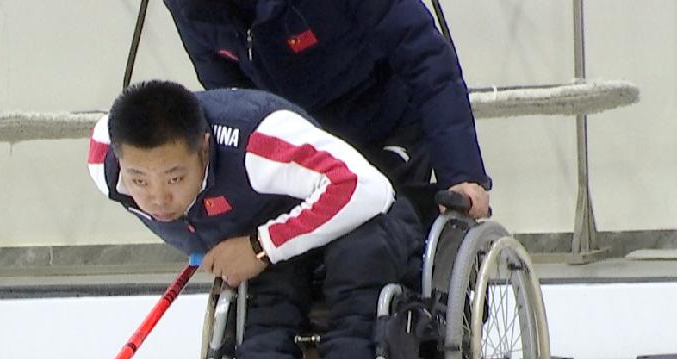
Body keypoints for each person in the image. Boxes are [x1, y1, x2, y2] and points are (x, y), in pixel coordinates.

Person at [89, 80, 422, 359]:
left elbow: (367, 189)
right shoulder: (105, 162)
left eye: (175, 177)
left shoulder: (259, 143)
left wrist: (259, 246)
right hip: (279, 232)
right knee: (269, 281)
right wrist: (233, 246)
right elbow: (178, 215)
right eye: (139, 179)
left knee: (354, 259)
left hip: (369, 219)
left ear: (204, 150)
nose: (157, 197)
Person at [161, 0, 491, 223]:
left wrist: (463, 175)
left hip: (385, 124)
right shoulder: (190, 7)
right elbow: (230, 106)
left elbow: (428, 62)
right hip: (299, 149)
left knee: (370, 235)